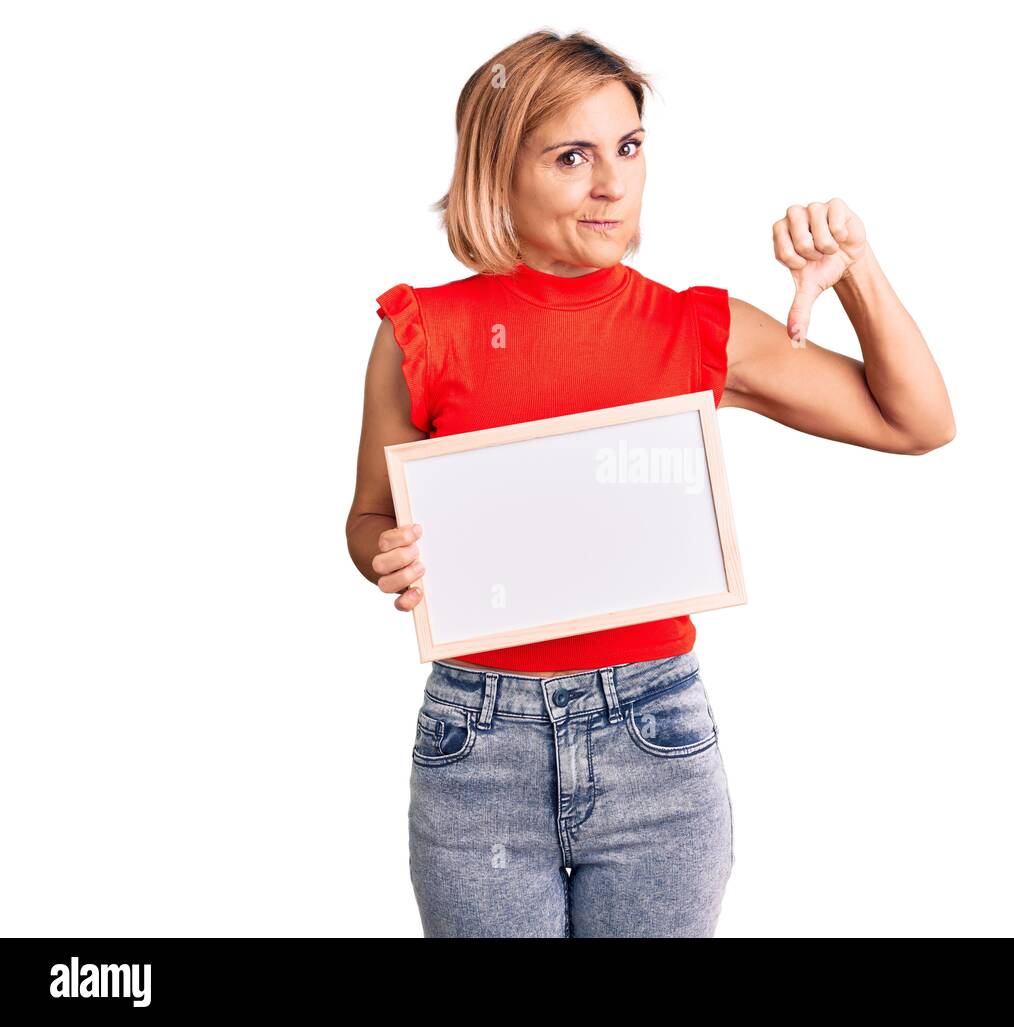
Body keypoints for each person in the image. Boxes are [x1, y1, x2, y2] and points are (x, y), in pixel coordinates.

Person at [345, 30, 955, 938]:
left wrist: (857, 272)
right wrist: (383, 556)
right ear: (496, 168)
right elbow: (368, 518)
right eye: (572, 157)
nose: (613, 184)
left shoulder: (695, 329)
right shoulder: (424, 332)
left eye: (629, 147)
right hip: (476, 745)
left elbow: (918, 422)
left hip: (654, 743)